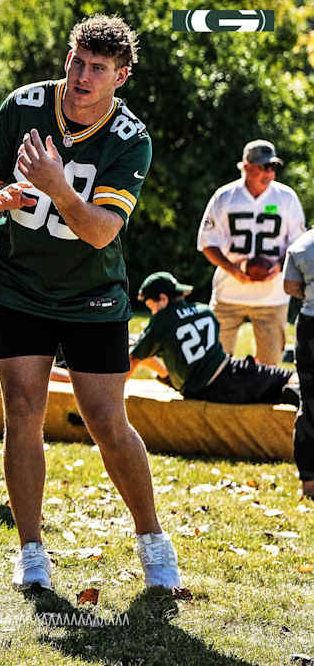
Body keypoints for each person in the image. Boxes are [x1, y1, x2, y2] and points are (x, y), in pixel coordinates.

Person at [0, 14, 181, 592]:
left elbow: (102, 231)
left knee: (108, 421)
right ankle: (31, 549)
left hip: (92, 291)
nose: (83, 76)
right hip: (18, 285)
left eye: (99, 69)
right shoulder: (24, 106)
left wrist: (57, 185)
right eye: (78, 62)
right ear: (68, 58)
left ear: (121, 77)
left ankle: (152, 537)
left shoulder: (130, 138)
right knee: (23, 411)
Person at [196, 139, 305, 366]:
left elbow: (298, 244)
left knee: (270, 367)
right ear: (246, 166)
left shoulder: (286, 198)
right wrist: (233, 269)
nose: (269, 172)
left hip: (272, 296)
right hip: (229, 293)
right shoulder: (225, 196)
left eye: (273, 167)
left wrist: (279, 266)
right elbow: (207, 242)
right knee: (213, 366)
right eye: (263, 166)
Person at [127, 272, 299, 405]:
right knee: (284, 376)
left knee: (137, 349)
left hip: (199, 386)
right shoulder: (204, 310)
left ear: (163, 299)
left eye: (151, 306)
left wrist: (114, 394)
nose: (152, 312)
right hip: (224, 376)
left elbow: (133, 358)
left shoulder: (162, 320)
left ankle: (297, 395)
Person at [282, 231, 314, 499]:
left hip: (310, 326)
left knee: (310, 403)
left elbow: (290, 287)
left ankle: (309, 483)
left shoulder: (302, 244)